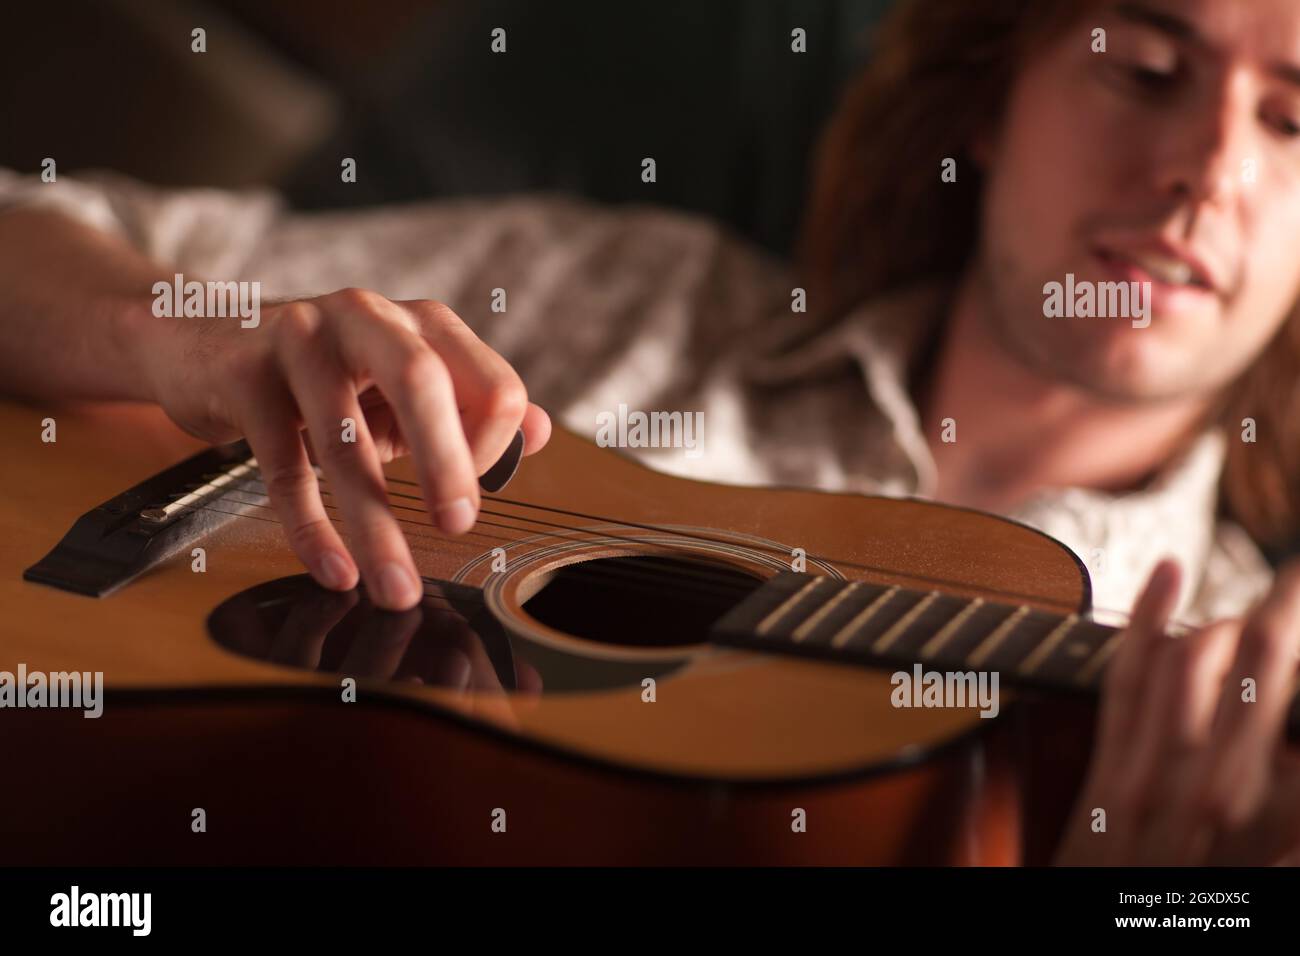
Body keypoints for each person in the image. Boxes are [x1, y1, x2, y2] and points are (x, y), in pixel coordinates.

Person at [0, 0, 1297, 865]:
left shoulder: (1230, 726)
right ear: (988, 105)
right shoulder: (644, 293)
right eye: (1142, 68)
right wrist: (170, 335)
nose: (1207, 171)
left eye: (1294, 118)